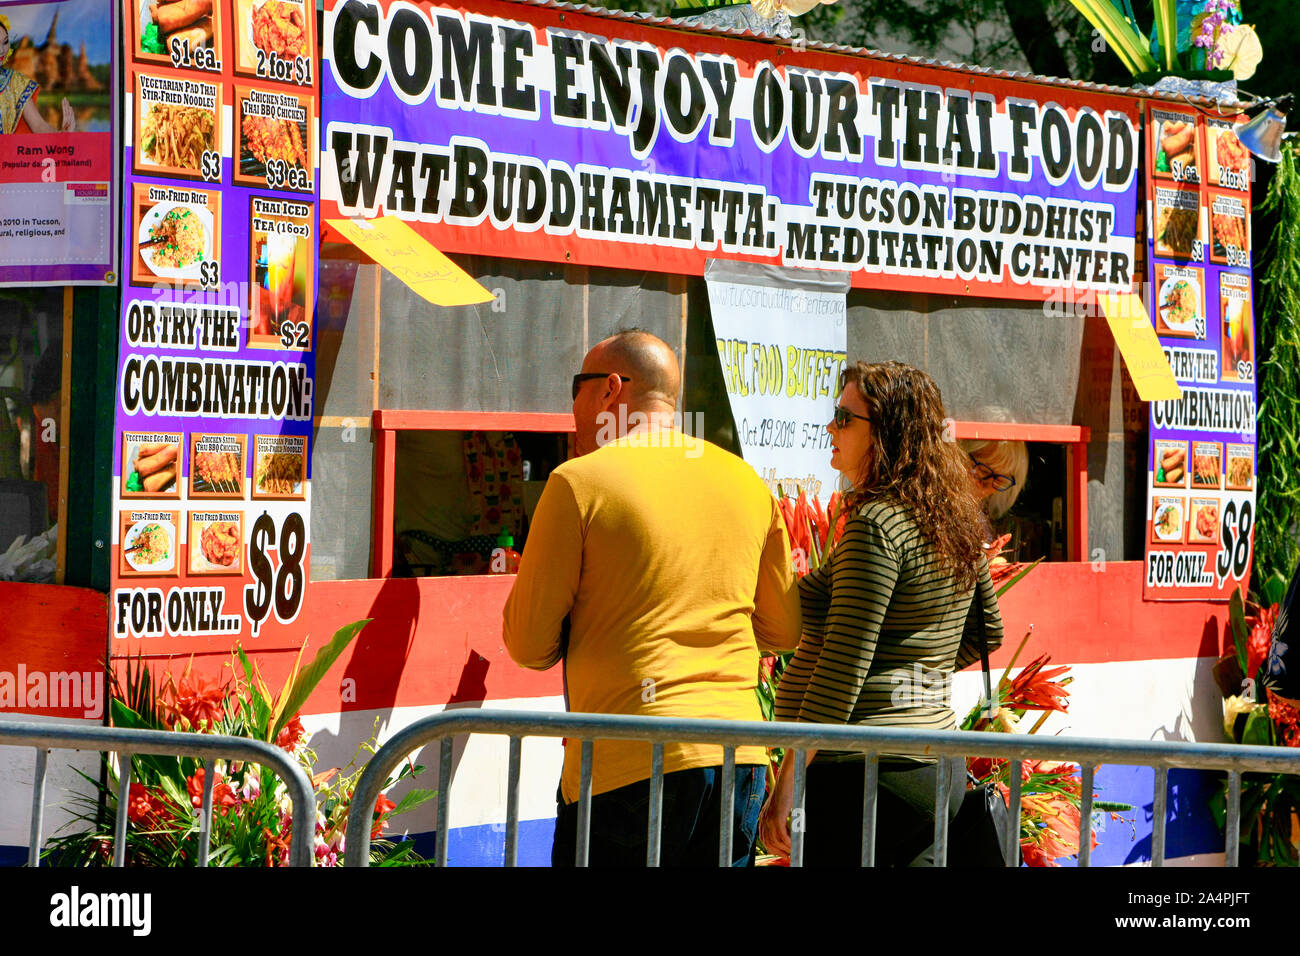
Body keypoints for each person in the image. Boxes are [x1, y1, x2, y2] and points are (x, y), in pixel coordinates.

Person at [502, 329, 801, 866]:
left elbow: (528, 645)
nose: (571, 408)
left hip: (628, 757)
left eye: (577, 387)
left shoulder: (577, 483)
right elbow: (783, 631)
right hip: (739, 755)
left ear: (610, 389)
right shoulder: (746, 481)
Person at [758, 361, 1004, 866]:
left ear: (887, 434)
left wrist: (788, 781)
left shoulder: (875, 525)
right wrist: (916, 674)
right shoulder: (953, 520)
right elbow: (987, 631)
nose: (830, 428)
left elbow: (842, 669)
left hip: (868, 773)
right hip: (936, 766)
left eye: (845, 419)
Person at [0, 15, 75, 135]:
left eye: (5, 42)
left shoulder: (15, 82)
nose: (2, 50)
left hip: (6, 152)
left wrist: (61, 134)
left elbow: (39, 126)